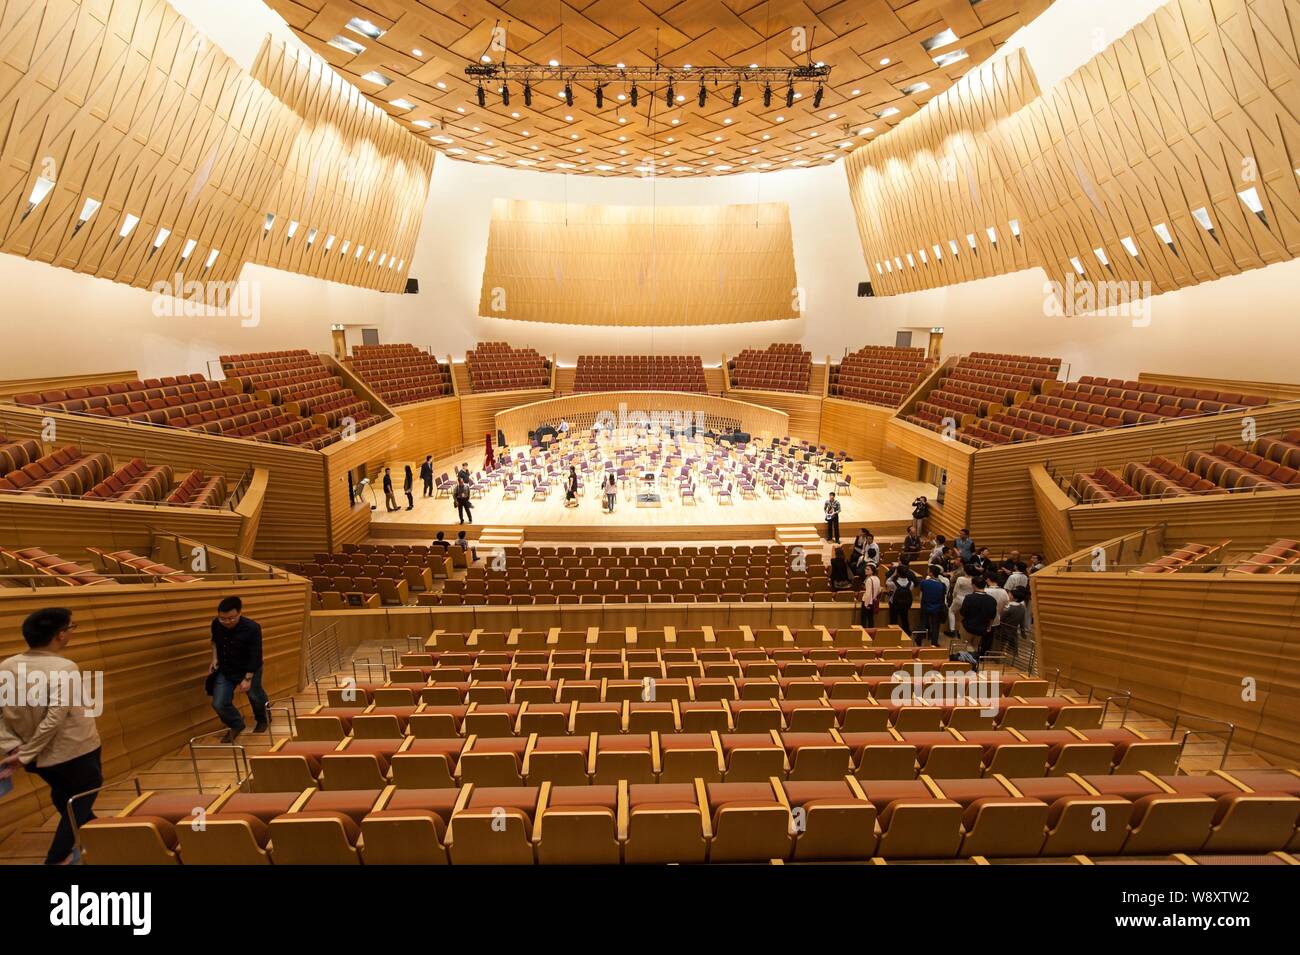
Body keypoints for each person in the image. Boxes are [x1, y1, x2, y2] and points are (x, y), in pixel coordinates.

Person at [1, 608, 102, 865]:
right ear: (59, 635)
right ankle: (57, 858)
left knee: (63, 793)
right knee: (80, 797)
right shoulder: (63, 667)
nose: (71, 632)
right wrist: (26, 753)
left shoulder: (7, 666)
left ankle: (96, 832)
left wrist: (18, 750)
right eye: (71, 627)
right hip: (74, 750)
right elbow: (56, 717)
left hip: (36, 757)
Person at [209, 597, 268, 743]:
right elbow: (214, 641)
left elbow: (256, 655)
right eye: (223, 618)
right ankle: (236, 724)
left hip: (249, 668)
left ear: (239, 613)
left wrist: (247, 679)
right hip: (226, 667)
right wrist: (214, 659)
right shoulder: (216, 623)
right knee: (218, 703)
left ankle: (263, 719)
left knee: (254, 695)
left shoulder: (252, 628)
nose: (227, 622)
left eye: (231, 618)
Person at [960, 576, 999, 656]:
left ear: (973, 585)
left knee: (967, 645)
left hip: (968, 626)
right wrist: (989, 626)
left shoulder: (969, 598)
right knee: (975, 645)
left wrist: (962, 621)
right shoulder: (992, 600)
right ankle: (975, 661)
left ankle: (970, 662)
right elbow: (992, 616)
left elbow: (963, 613)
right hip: (982, 627)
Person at [917, 565, 948, 647]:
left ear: (931, 573)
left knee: (922, 624)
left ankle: (919, 640)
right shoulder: (942, 585)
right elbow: (942, 598)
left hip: (925, 606)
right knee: (935, 626)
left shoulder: (924, 582)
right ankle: (934, 642)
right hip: (937, 608)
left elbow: (921, 593)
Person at [886, 560, 917, 636]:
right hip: (906, 604)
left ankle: (893, 634)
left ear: (898, 573)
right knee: (905, 619)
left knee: (894, 619)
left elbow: (887, 582)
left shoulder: (894, 583)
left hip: (895, 604)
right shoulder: (911, 583)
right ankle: (906, 634)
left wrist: (893, 574)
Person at [998, 587, 1029, 657]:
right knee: (1012, 650)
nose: (1008, 595)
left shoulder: (1008, 607)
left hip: (1003, 631)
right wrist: (1023, 632)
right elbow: (1022, 622)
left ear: (1015, 598)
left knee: (1000, 647)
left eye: (1010, 594)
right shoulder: (1022, 607)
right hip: (1013, 632)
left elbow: (1001, 618)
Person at [859, 563, 881, 629]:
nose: (865, 570)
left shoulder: (869, 580)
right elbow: (879, 590)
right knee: (871, 618)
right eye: (866, 569)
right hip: (873, 601)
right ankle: (871, 633)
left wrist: (866, 604)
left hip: (867, 602)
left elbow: (868, 593)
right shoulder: (877, 578)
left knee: (864, 619)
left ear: (872, 571)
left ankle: (864, 633)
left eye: (868, 569)